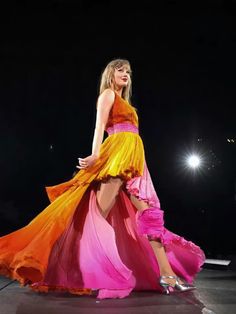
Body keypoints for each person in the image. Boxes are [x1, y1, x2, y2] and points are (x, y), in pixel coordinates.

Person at [0, 58, 205, 299]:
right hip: (116, 158)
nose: (126, 73)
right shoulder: (108, 95)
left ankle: (167, 275)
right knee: (98, 216)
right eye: (120, 70)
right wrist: (96, 155)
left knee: (150, 217)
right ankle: (72, 269)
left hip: (133, 160)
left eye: (128, 71)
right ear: (110, 74)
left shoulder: (126, 102)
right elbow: (99, 126)